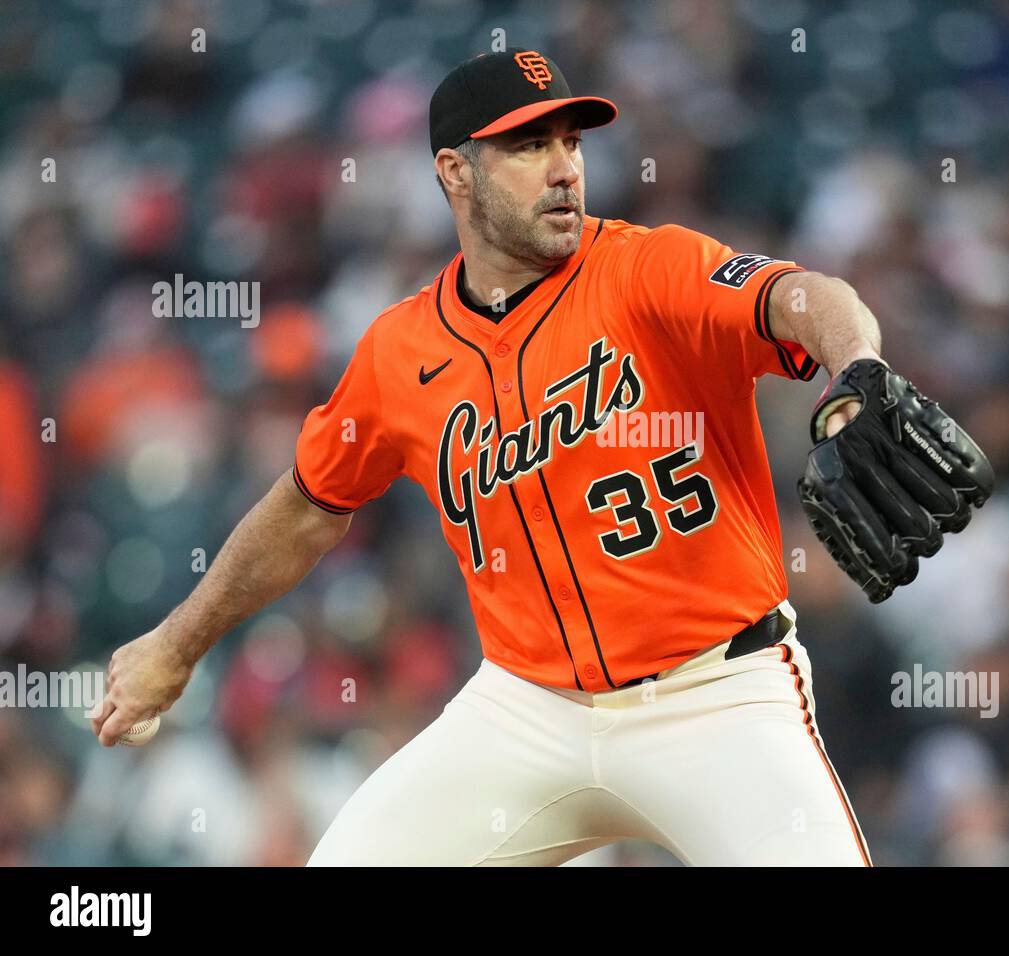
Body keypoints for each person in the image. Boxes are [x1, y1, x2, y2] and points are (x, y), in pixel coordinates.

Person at [93, 47, 946, 866]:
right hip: (527, 710)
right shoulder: (400, 351)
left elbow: (803, 298)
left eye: (571, 142)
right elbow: (308, 507)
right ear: (454, 172)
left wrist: (858, 364)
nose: (565, 167)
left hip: (715, 694)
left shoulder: (649, 270)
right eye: (528, 145)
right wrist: (176, 644)